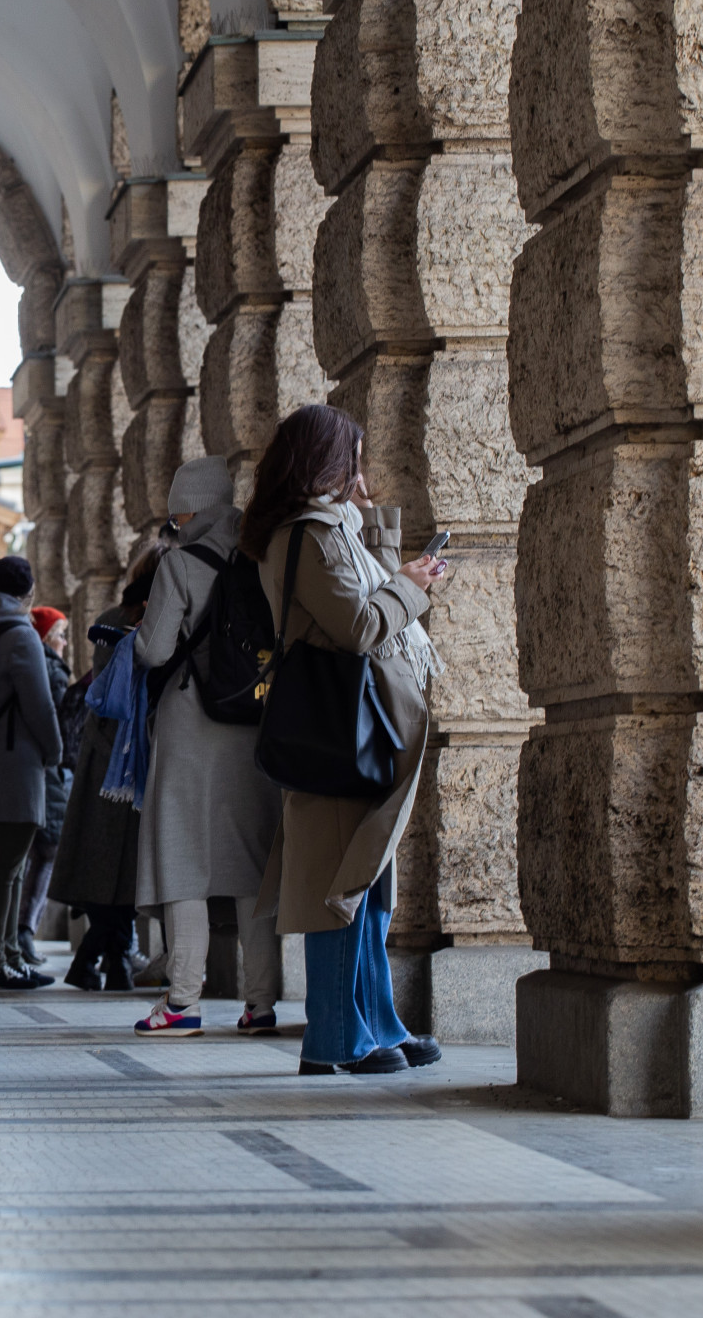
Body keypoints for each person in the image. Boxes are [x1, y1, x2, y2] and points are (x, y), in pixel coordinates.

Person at [240, 405, 447, 1074]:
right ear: (327, 459)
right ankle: (334, 1038)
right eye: (353, 456)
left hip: (362, 722)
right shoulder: (312, 535)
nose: (362, 468)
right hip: (338, 724)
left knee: (368, 887)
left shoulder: (333, 529)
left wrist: (375, 528)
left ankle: (376, 1023)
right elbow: (358, 626)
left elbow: (365, 596)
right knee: (338, 888)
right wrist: (410, 587)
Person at [130, 457, 283, 1037]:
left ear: (188, 510)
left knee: (183, 861)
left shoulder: (179, 563)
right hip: (255, 720)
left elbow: (154, 651)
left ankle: (183, 1001)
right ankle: (261, 1004)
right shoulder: (264, 555)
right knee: (251, 866)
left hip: (192, 726)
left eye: (177, 515)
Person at [50, 549, 160, 991]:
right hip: (128, 757)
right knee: (121, 868)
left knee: (110, 868)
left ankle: (110, 963)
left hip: (105, 755)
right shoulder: (143, 622)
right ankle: (104, 961)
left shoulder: (112, 617)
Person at [0, 555, 64, 989]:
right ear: (28, 593)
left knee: (6, 867)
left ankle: (9, 958)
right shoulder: (21, 634)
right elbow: (40, 706)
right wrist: (55, 752)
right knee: (2, 871)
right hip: (15, 766)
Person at [15, 607, 75, 961]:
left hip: (29, 773)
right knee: (47, 853)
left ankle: (17, 934)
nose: (65, 642)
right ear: (48, 638)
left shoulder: (30, 664)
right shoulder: (52, 671)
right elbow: (55, 726)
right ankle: (23, 932)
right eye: (61, 635)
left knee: (25, 856)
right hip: (46, 775)